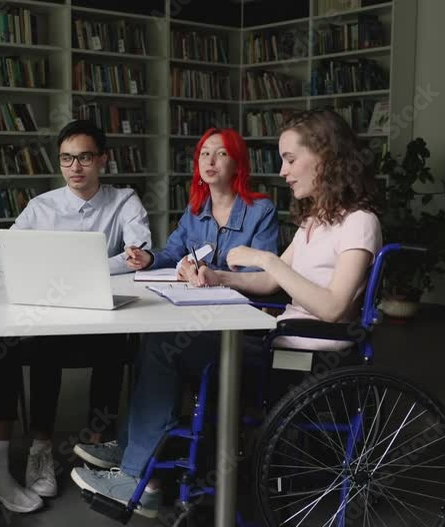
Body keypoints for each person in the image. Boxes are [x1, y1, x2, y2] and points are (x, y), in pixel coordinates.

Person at [70, 108, 384, 518]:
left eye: (290, 159)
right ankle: (141, 465)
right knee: (160, 343)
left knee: (166, 349)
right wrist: (219, 277)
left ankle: (137, 477)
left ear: (324, 157)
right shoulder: (316, 222)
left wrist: (268, 261)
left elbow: (333, 306)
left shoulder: (360, 222)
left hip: (308, 356)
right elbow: (269, 286)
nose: (284, 171)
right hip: (280, 340)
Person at [0, 120, 152, 513]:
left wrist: (92, 268)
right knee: (44, 343)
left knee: (113, 342)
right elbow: (0, 258)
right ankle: (41, 448)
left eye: (85, 157)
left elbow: (136, 253)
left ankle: (99, 445)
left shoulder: (124, 200)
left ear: (102, 160)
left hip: (102, 313)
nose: (76, 167)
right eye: (67, 159)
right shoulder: (43, 206)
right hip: (53, 313)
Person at [125, 127, 279, 273]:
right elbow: (173, 254)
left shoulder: (262, 211)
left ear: (238, 165)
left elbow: (260, 273)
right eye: (205, 154)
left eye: (222, 154)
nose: (210, 161)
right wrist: (148, 258)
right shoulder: (195, 209)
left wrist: (208, 271)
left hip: (243, 300)